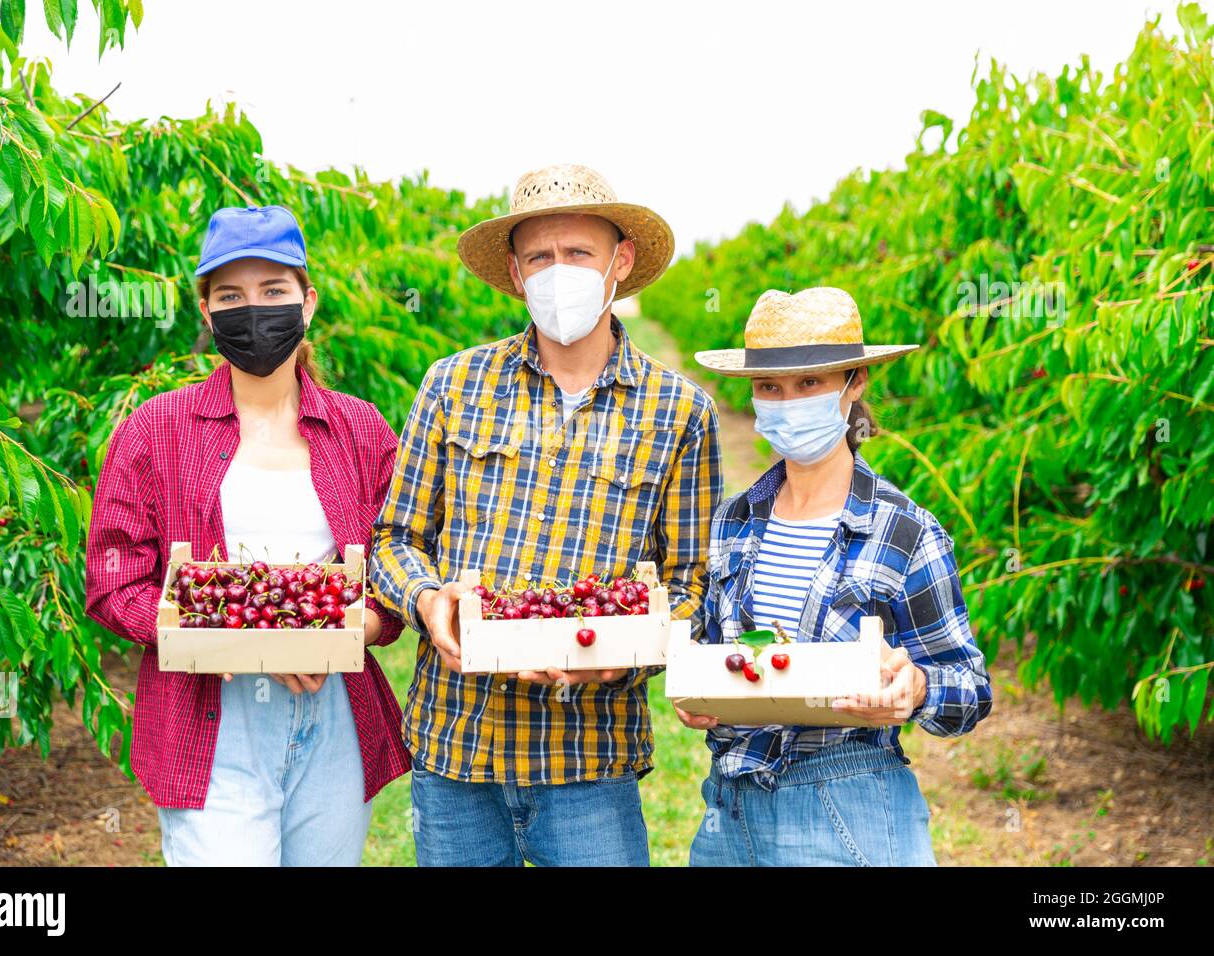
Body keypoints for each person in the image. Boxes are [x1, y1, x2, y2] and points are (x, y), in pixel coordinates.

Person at [371, 164, 723, 866]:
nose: (558, 272)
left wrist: (621, 655)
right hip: (457, 742)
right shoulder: (453, 385)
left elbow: (692, 583)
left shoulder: (680, 412)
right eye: (539, 257)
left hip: (587, 754)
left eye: (579, 253)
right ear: (515, 271)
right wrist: (429, 600)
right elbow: (395, 538)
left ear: (621, 260)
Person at [85, 204, 408, 865]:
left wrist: (358, 629)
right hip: (213, 718)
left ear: (307, 303)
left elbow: (398, 565)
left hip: (333, 716)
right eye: (231, 295)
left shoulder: (361, 429)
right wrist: (226, 634)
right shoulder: (155, 430)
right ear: (207, 312)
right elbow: (113, 583)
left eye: (273, 290)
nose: (253, 310)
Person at [679, 286, 992, 866]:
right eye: (770, 387)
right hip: (730, 813)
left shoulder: (904, 532)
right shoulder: (731, 523)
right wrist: (698, 693)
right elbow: (717, 654)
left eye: (809, 383)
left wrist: (915, 689)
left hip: (846, 806)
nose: (787, 403)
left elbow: (969, 691)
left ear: (855, 384)